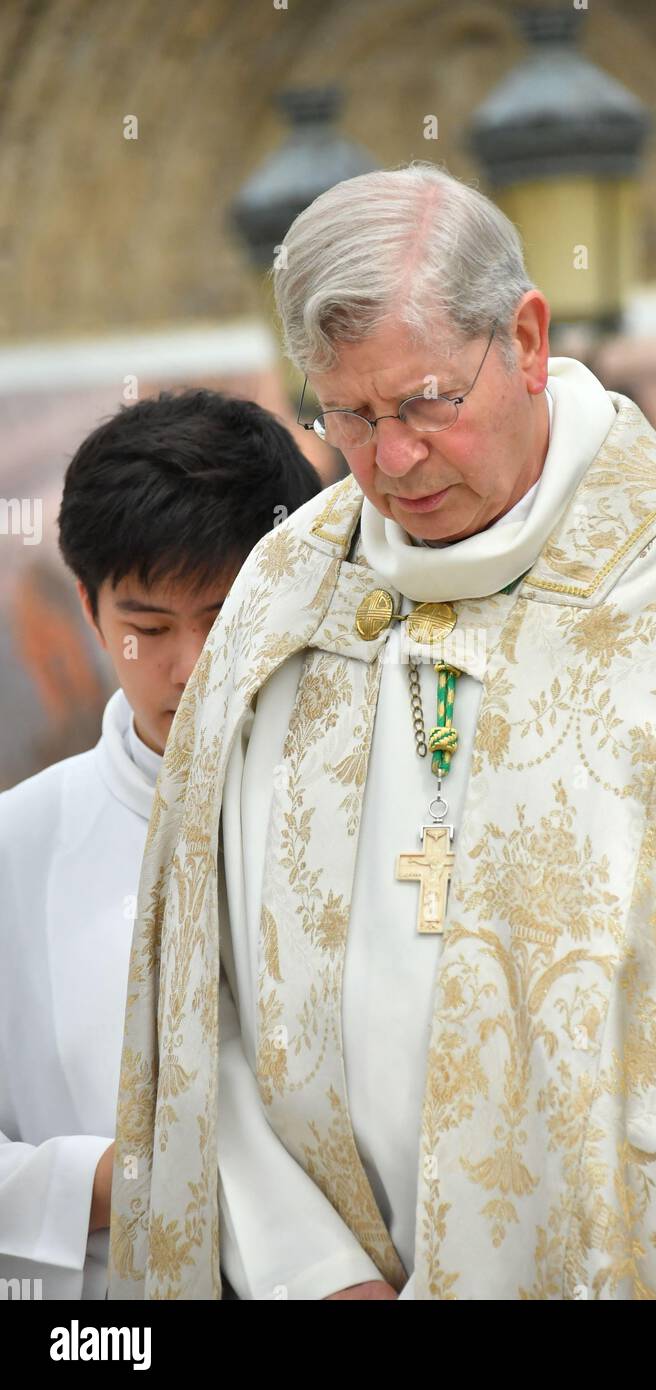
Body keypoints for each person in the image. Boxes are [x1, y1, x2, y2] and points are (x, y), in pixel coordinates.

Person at [108, 163, 656, 1302]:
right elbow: (202, 996)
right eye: (348, 415)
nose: (391, 461)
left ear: (522, 338)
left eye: (423, 403)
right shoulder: (282, 595)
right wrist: (311, 1272)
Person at [0, 388, 321, 1298]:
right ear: (88, 612)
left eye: (225, 622)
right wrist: (119, 1185)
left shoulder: (376, 816)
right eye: (146, 630)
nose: (188, 669)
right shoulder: (17, 848)